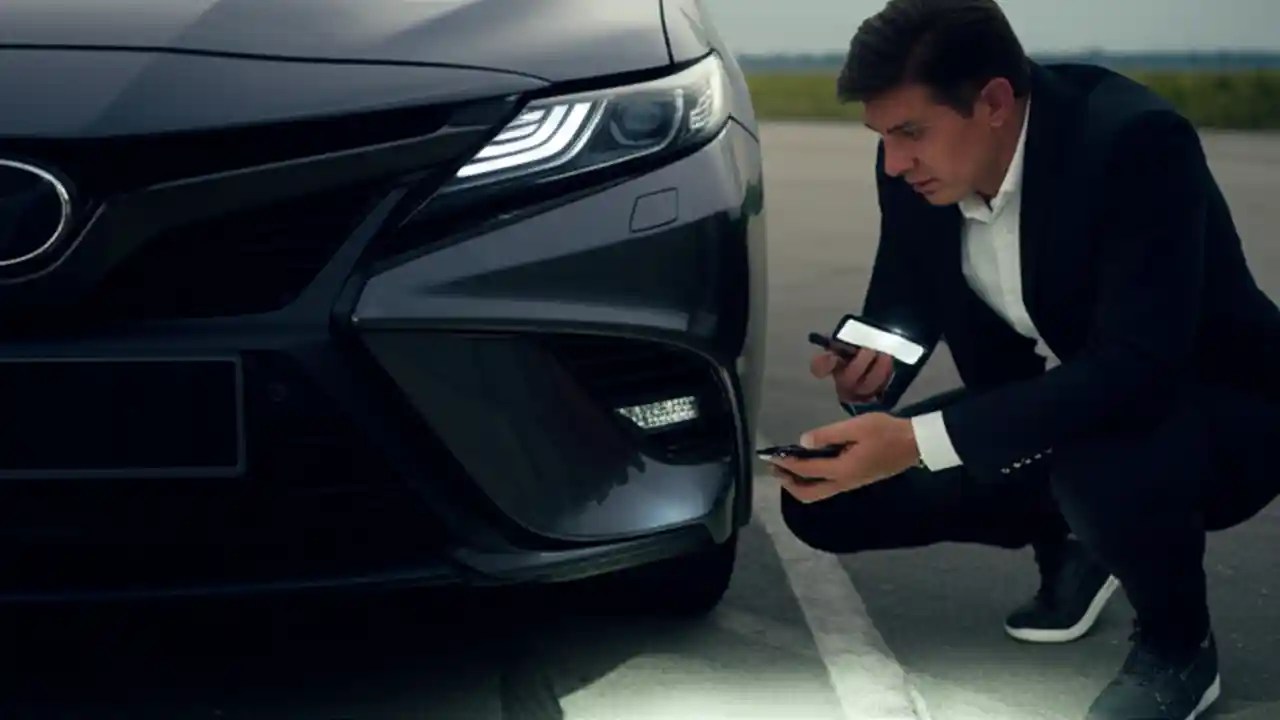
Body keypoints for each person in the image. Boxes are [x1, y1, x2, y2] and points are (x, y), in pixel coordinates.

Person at [763, 1, 1280, 718]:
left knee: (1096, 460)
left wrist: (914, 442)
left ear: (995, 102)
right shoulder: (914, 173)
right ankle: (1075, 550)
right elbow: (907, 295)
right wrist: (875, 359)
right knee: (825, 498)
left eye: (910, 132)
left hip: (1221, 410)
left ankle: (1178, 648)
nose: (892, 160)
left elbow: (1137, 368)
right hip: (1075, 414)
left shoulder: (1135, 143)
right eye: (880, 136)